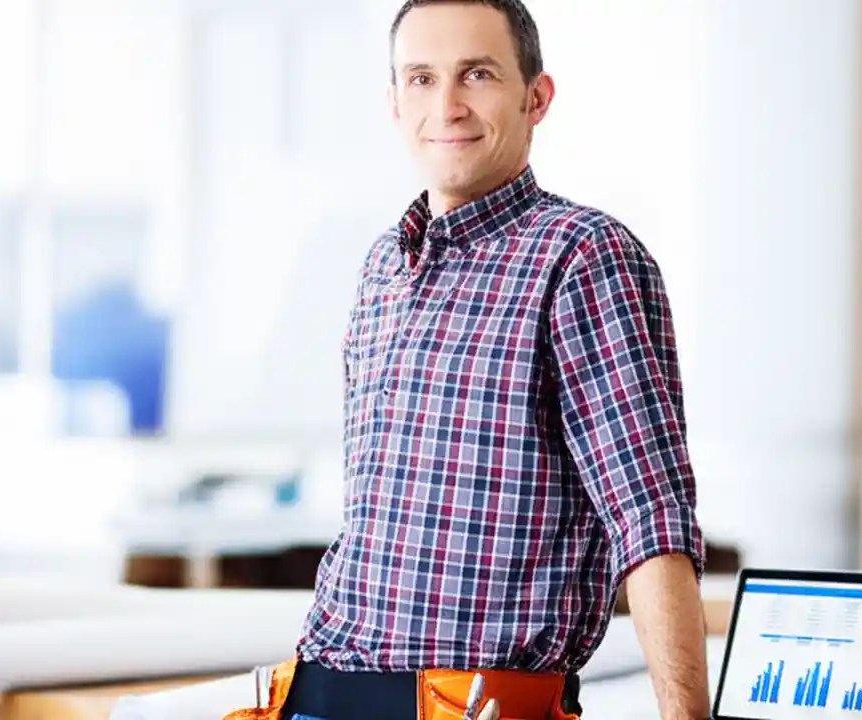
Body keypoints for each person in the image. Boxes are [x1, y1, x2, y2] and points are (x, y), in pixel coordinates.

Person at [226, 1, 709, 718]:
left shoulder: (584, 257)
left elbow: (650, 521)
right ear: (393, 102)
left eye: (476, 75)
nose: (446, 105)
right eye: (420, 79)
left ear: (535, 97)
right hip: (321, 688)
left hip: (474, 706)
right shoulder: (383, 264)